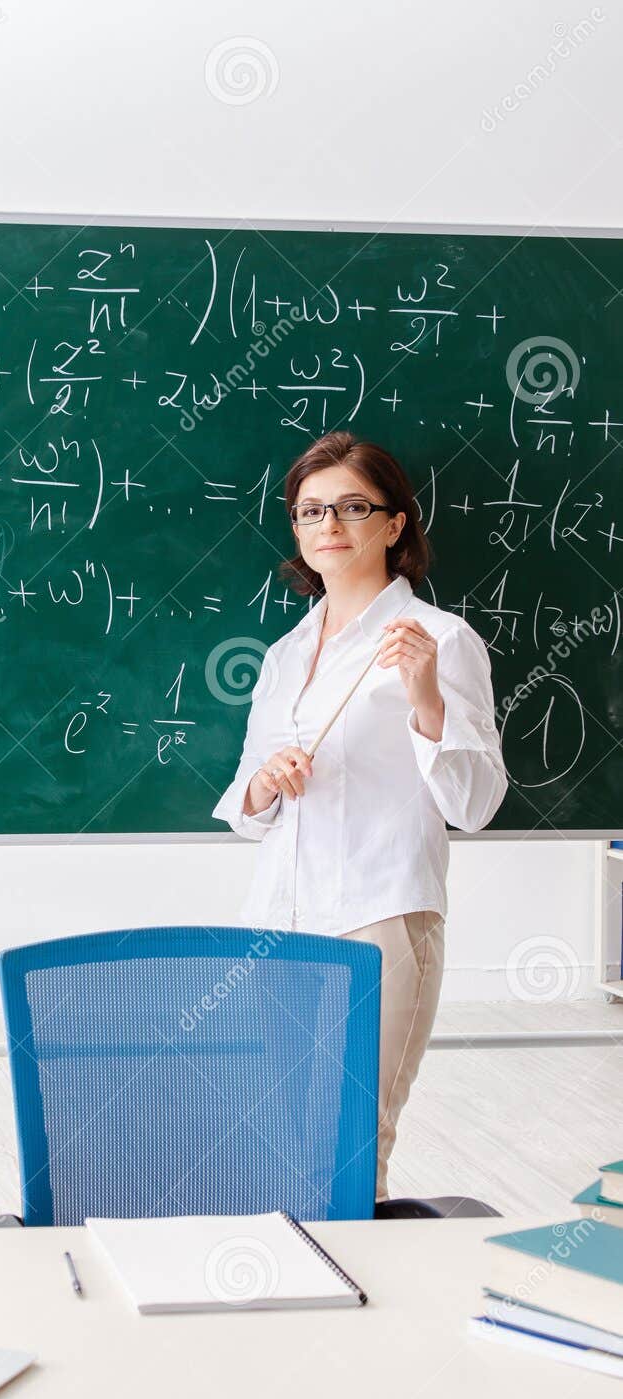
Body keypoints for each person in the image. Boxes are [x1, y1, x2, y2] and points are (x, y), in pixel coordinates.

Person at [213, 430, 508, 1199]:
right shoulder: (285, 654)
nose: (329, 527)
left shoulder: (442, 641)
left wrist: (426, 697)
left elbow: (474, 805)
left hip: (380, 911)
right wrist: (267, 781)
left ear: (394, 524)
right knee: (277, 1131)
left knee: (351, 1144)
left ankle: (359, 1299)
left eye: (352, 506)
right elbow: (248, 800)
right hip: (280, 916)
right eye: (311, 512)